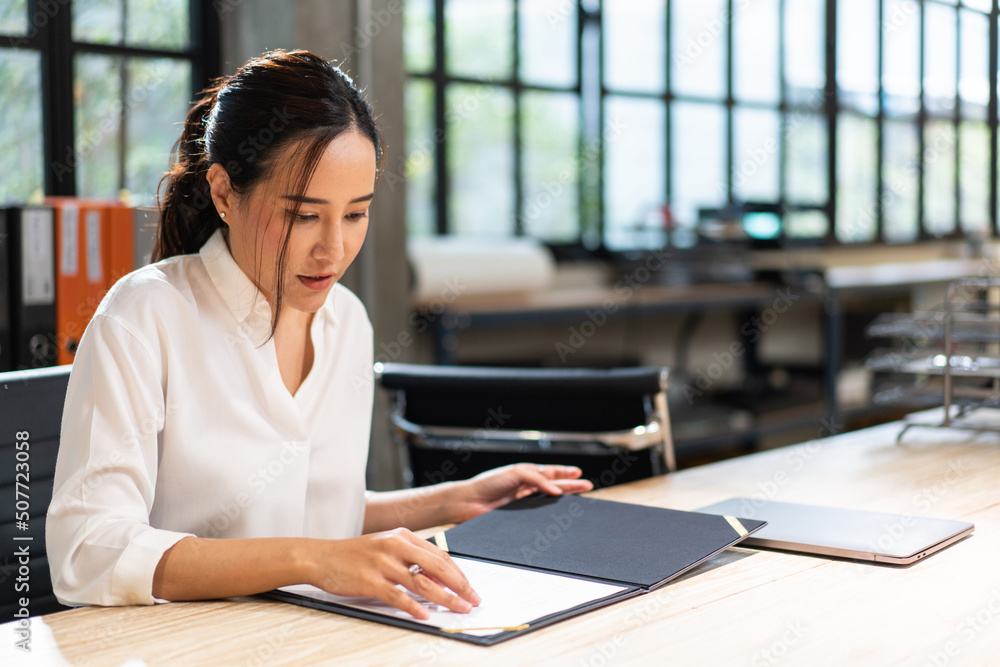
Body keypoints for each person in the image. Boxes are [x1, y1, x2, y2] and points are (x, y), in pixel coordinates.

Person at [46, 49, 592, 621]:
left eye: (355, 214)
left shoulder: (346, 320)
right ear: (226, 193)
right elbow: (87, 550)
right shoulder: (144, 315)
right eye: (304, 216)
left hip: (319, 638)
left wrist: (454, 499)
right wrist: (311, 561)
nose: (333, 249)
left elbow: (317, 515)